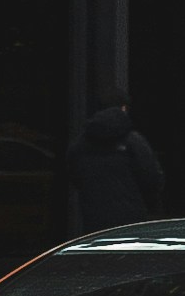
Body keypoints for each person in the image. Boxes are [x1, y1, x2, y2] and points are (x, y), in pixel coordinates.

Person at [65, 88, 164, 228]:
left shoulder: (81, 143)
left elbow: (74, 174)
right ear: (124, 108)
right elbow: (152, 178)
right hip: (131, 217)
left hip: (93, 216)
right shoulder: (133, 141)